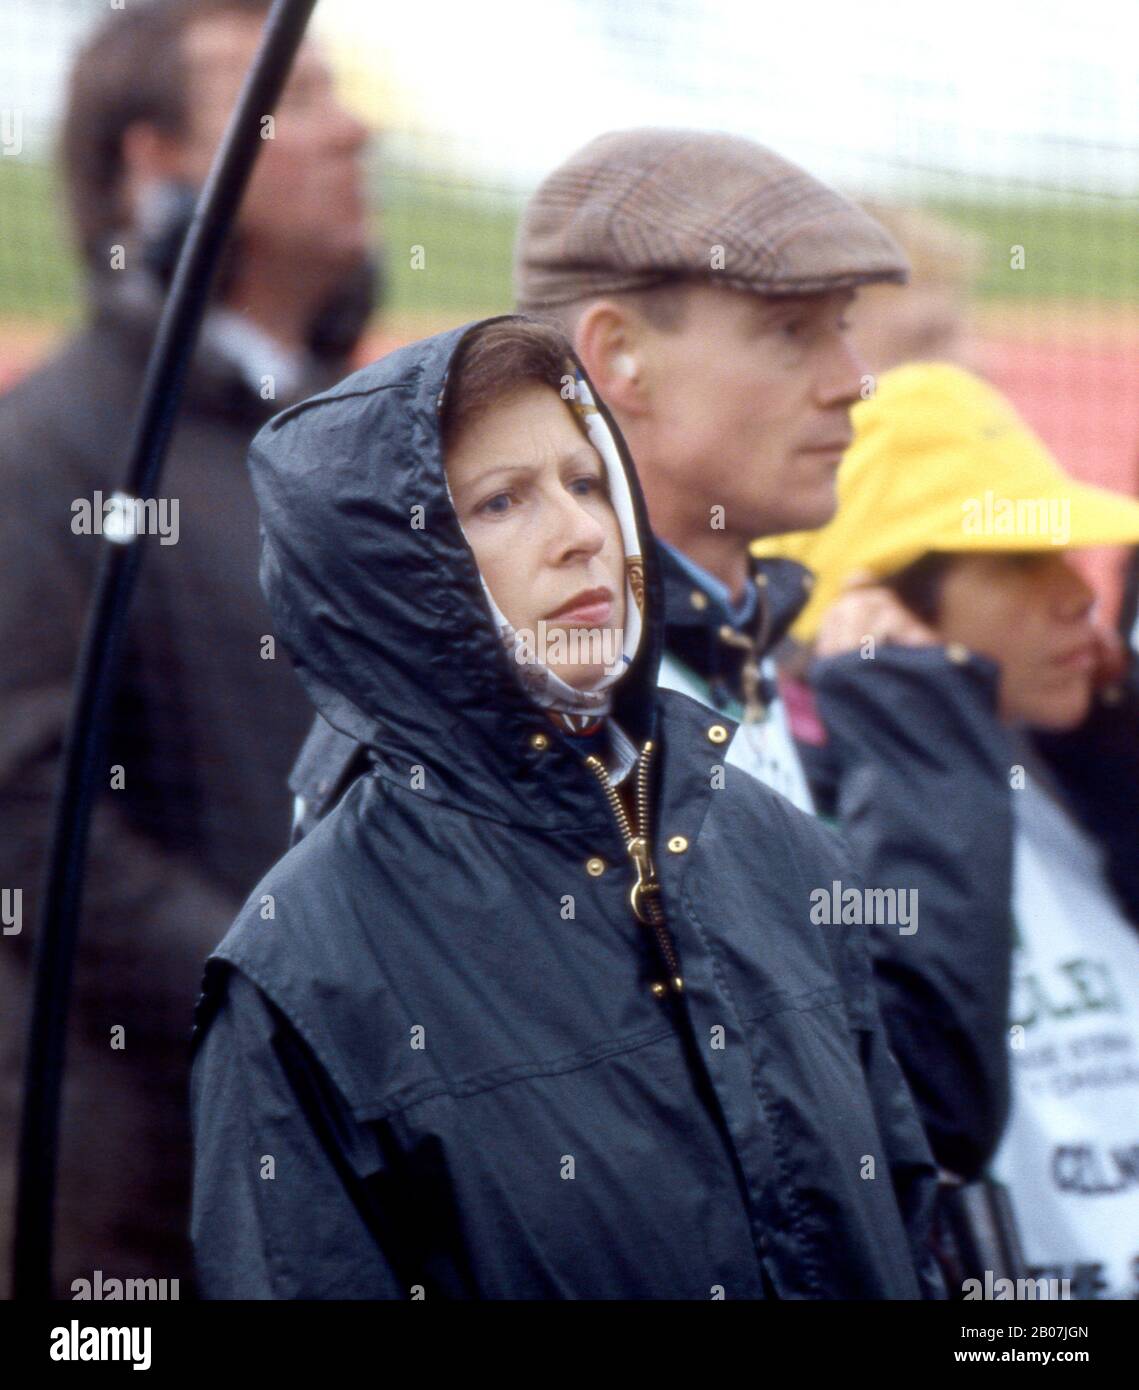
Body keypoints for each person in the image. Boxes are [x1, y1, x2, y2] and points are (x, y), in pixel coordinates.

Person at [189, 316, 944, 1299]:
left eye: (586, 483)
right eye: (500, 501)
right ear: (385, 575)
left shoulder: (774, 844)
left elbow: (907, 1227)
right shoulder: (302, 971)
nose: (583, 532)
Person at [0, 0, 376, 1296]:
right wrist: (302, 993)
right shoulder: (46, 450)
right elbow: (28, 828)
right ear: (158, 167)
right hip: (147, 1209)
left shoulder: (346, 439)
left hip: (358, 1155)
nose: (354, 128)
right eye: (296, 98)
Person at [286, 128, 911, 831]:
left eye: (844, 327)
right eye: (792, 331)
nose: (853, 381)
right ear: (619, 356)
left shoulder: (742, 645)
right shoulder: (495, 726)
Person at [757, 362, 1139, 1298]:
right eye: (1018, 558)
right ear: (876, 601)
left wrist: (1113, 746)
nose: (1077, 594)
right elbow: (921, 1122)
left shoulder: (1065, 767)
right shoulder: (784, 822)